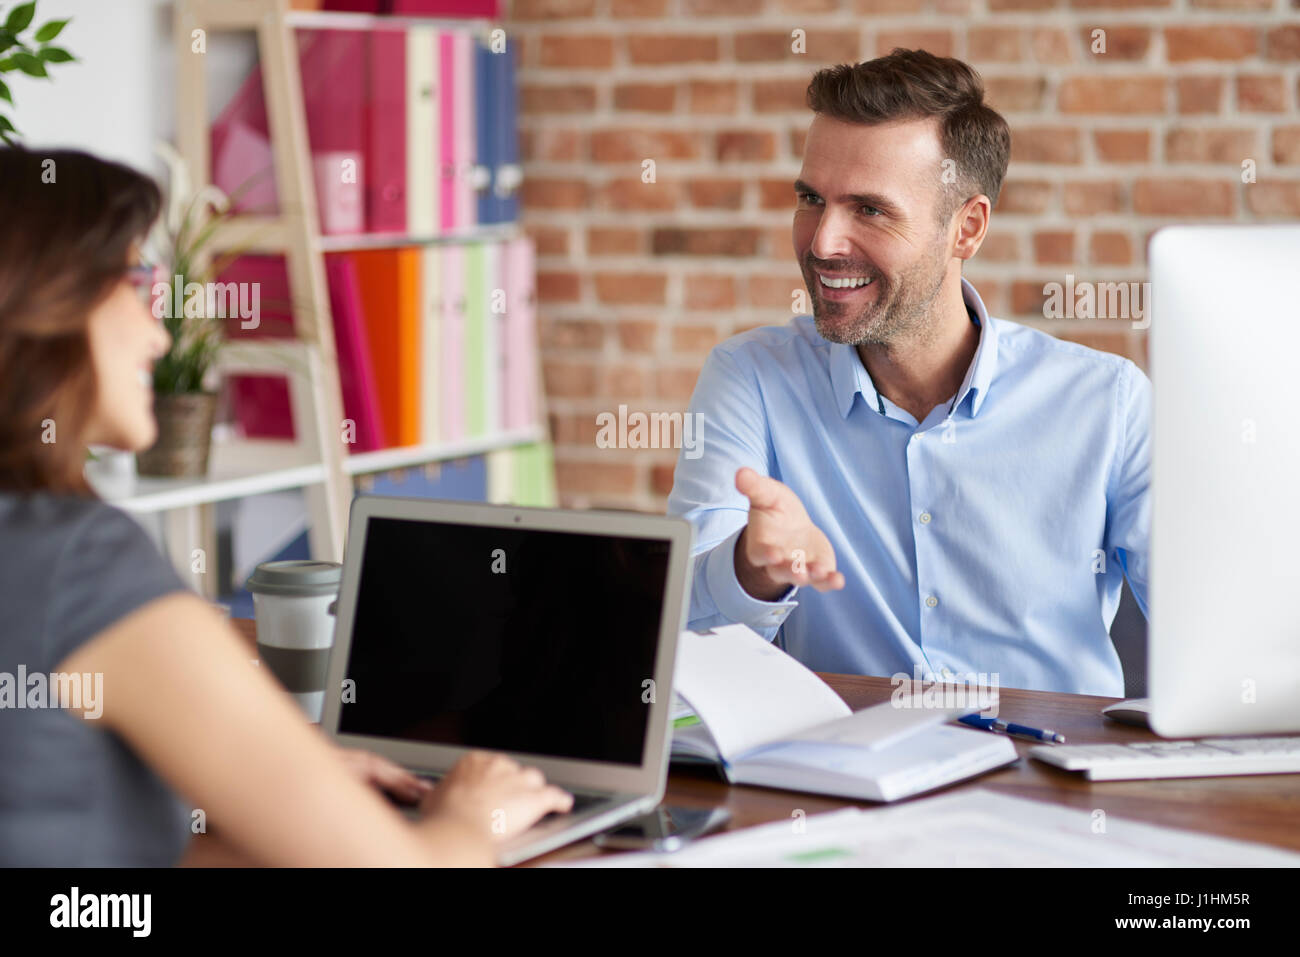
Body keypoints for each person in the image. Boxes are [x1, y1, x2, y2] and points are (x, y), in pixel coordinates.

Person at [0, 147, 571, 867]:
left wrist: (283, 799)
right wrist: (472, 815)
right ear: (43, 294)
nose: (160, 332)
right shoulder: (80, 563)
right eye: (134, 279)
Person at [667, 49, 1151, 697]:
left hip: (1050, 775)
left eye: (869, 209)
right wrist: (752, 569)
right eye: (812, 199)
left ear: (967, 228)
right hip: (844, 779)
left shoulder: (1107, 402)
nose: (822, 242)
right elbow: (683, 637)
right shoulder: (750, 378)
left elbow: (1216, 631)